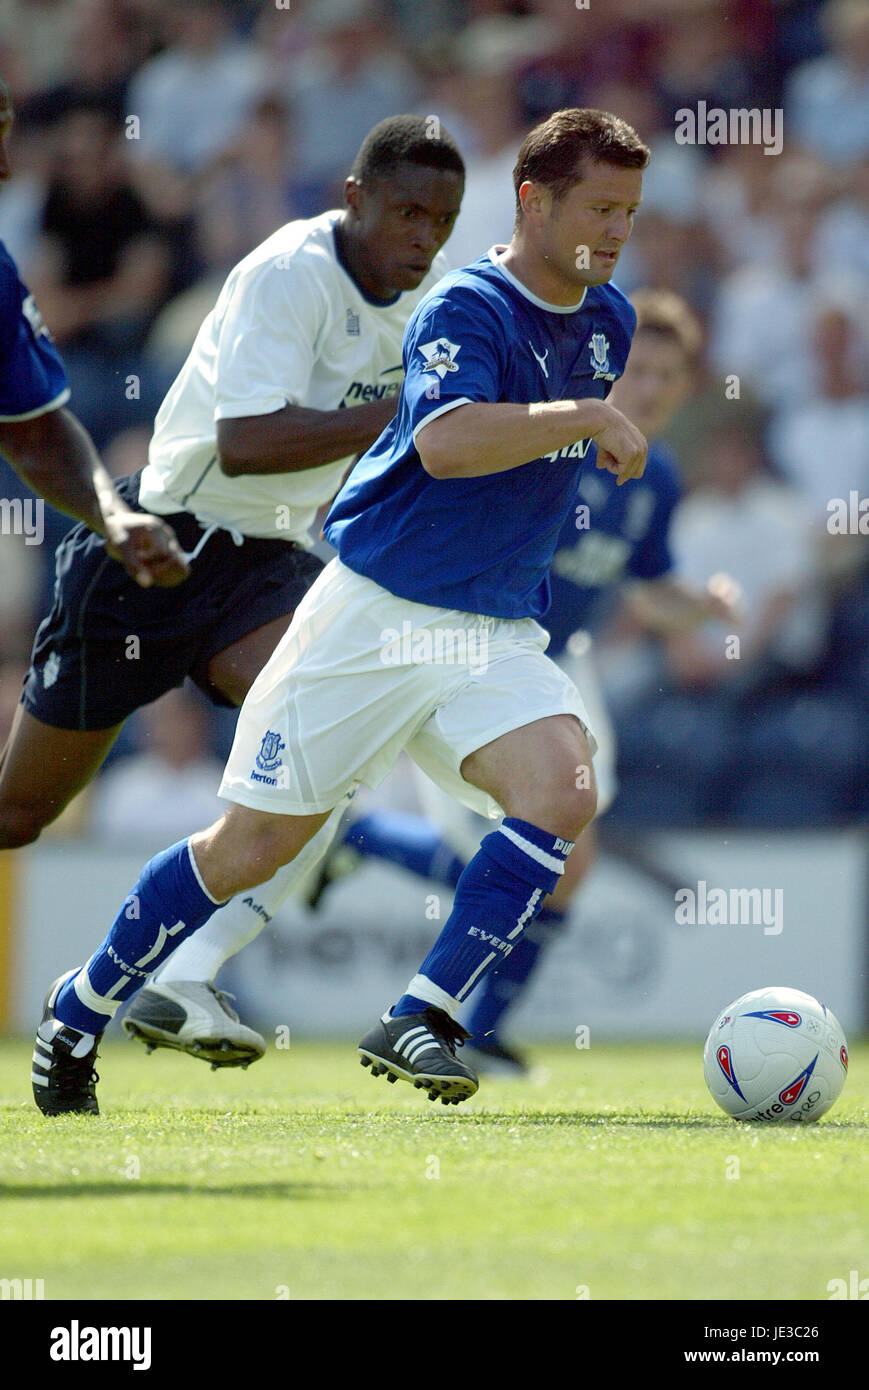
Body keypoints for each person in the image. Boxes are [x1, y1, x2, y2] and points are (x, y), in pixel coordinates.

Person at [32, 107, 649, 1116]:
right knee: (249, 848)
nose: (618, 228)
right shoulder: (464, 308)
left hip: (487, 627)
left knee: (563, 788)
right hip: (371, 614)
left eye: (629, 208)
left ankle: (424, 1012)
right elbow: (446, 444)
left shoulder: (607, 319)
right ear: (533, 203)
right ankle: (81, 1004)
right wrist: (582, 416)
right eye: (599, 206)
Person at [3, 110, 465, 1086]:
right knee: (20, 811)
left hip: (261, 563)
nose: (421, 237)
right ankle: (77, 1018)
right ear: (354, 199)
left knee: (326, 734)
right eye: (405, 213)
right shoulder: (288, 271)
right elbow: (248, 439)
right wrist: (407, 413)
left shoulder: (431, 312)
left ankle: (181, 975)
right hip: (152, 545)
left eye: (440, 219)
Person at [306, 290, 740, 1074]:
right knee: (533, 853)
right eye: (640, 368)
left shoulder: (654, 475)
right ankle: (365, 843)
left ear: (685, 388)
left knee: (568, 862)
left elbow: (652, 588)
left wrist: (704, 605)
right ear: (610, 369)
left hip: (560, 664)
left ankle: (482, 1028)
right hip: (480, 649)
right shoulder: (554, 445)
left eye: (671, 375)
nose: (651, 387)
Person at [0, 76, 186, 629]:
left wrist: (113, 518)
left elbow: (35, 435)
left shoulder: (133, 204)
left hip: (129, 365)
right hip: (79, 367)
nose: (8, 171)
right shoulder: (50, 211)